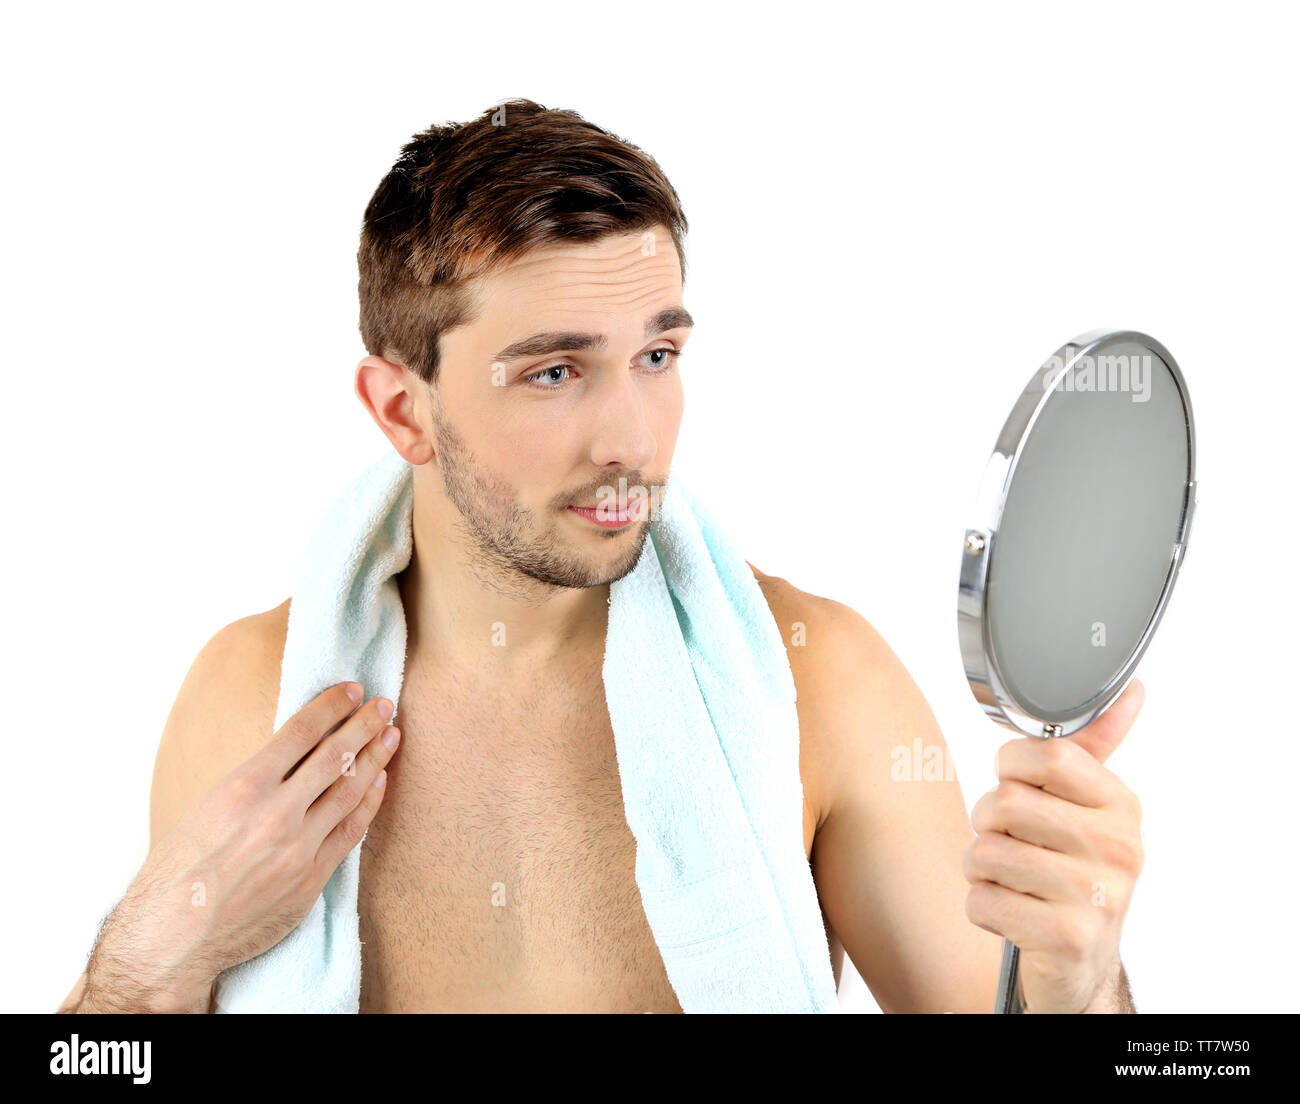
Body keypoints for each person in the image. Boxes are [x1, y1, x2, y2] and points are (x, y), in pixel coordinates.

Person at [58, 98, 1141, 1014]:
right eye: (554, 373)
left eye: (656, 355)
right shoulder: (255, 705)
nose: (631, 437)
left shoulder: (815, 682)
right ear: (403, 409)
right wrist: (147, 961)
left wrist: (1081, 981)